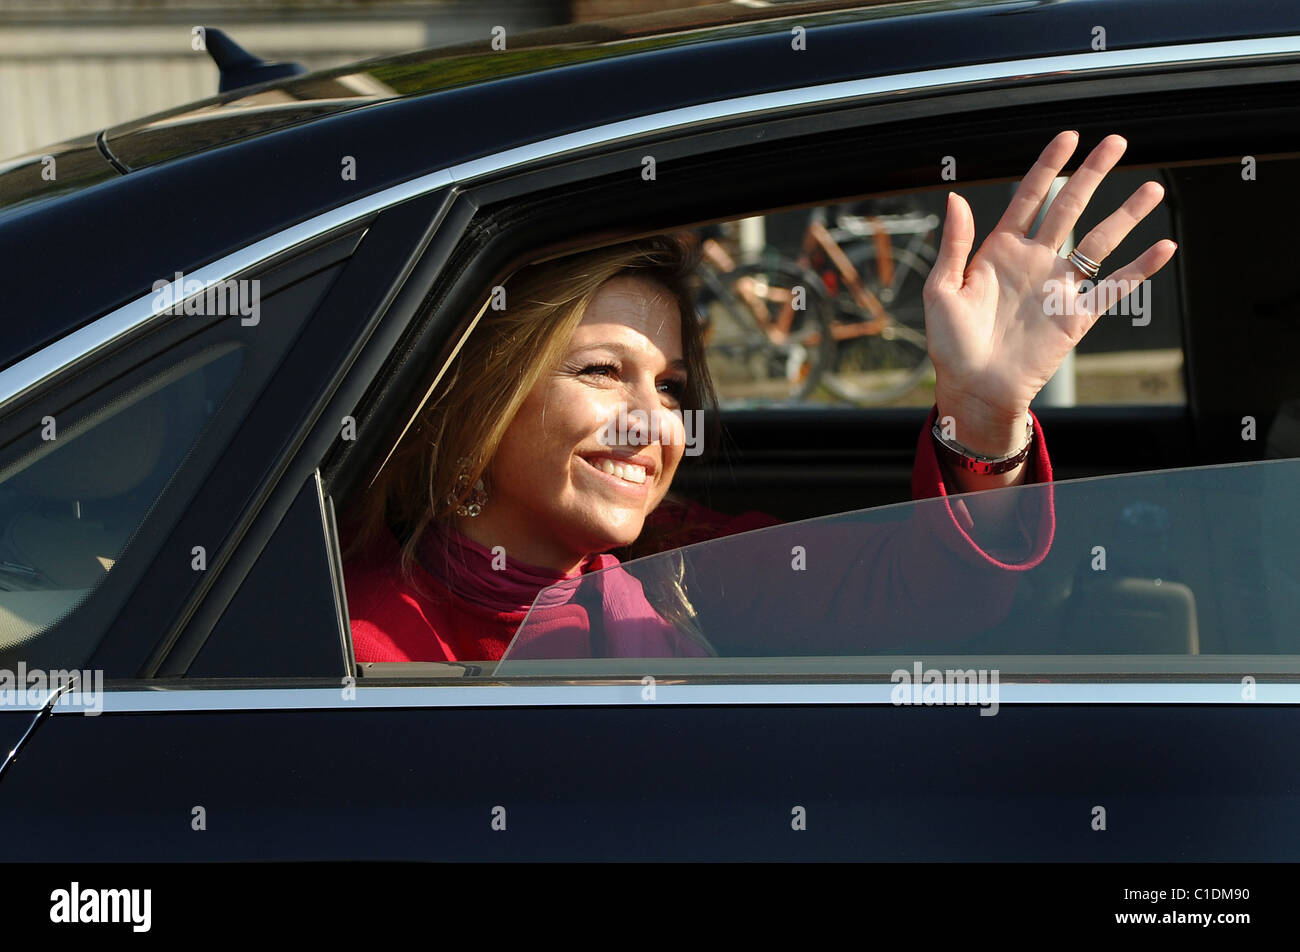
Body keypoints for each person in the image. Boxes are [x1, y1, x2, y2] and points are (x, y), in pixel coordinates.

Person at [342, 131, 1177, 662]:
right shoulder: (367, 646)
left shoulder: (679, 567)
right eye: (600, 371)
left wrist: (985, 414)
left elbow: (938, 595)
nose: (652, 424)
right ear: (485, 394)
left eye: (671, 388)